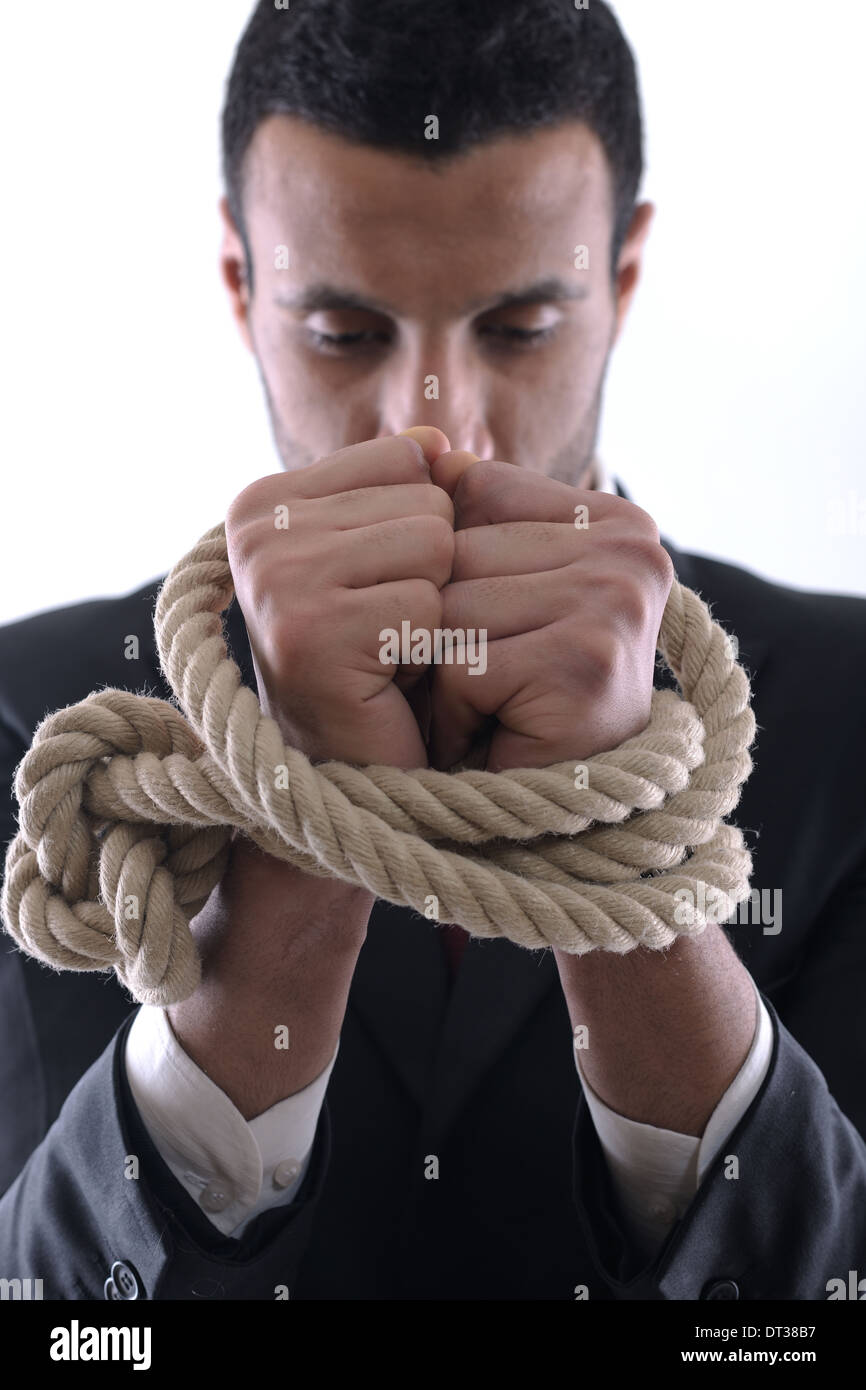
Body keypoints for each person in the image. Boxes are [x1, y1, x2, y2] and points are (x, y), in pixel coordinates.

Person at [0, 0, 864, 1302]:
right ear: (241, 286)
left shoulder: (851, 710)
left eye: (518, 327)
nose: (440, 427)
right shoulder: (32, 725)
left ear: (621, 279)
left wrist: (606, 822)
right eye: (344, 333)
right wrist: (291, 849)